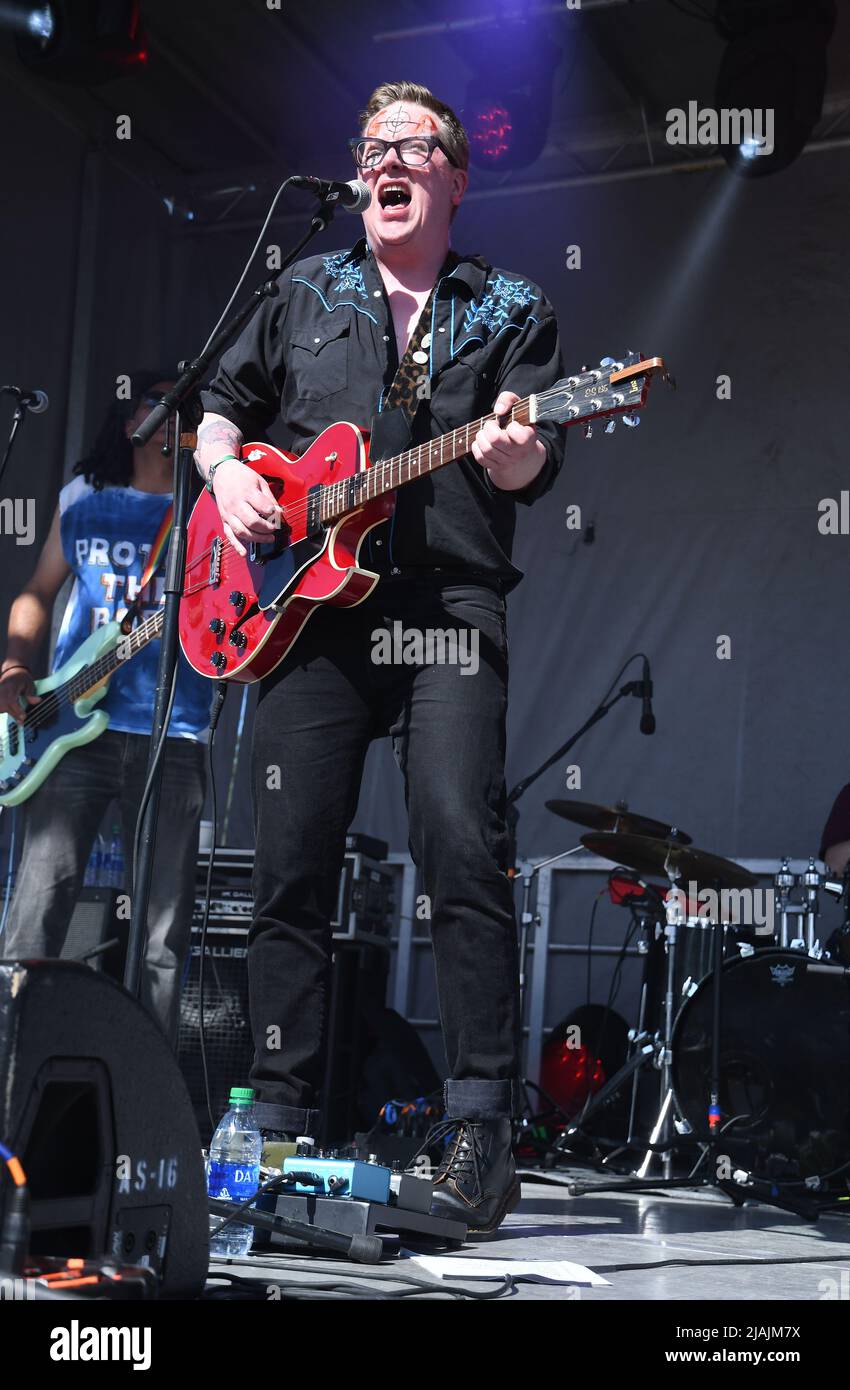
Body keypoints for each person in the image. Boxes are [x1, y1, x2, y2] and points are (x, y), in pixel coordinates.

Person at [194, 83, 566, 1236]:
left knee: (461, 843)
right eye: (370, 149)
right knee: (288, 866)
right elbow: (215, 409)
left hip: (446, 600)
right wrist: (229, 476)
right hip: (302, 609)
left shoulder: (509, 305)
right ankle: (277, 1119)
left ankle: (476, 1132)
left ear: (456, 175)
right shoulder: (305, 285)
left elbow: (531, 465)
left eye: (411, 147)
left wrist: (511, 452)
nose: (385, 162)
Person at [0, 370, 211, 1045]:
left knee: (160, 931)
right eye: (163, 403)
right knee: (38, 907)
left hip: (173, 732)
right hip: (69, 728)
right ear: (132, 421)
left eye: (189, 408)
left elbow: (237, 616)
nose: (178, 417)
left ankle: (145, 1097)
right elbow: (37, 590)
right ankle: (13, 1052)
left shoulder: (208, 511)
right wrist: (14, 666)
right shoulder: (85, 497)